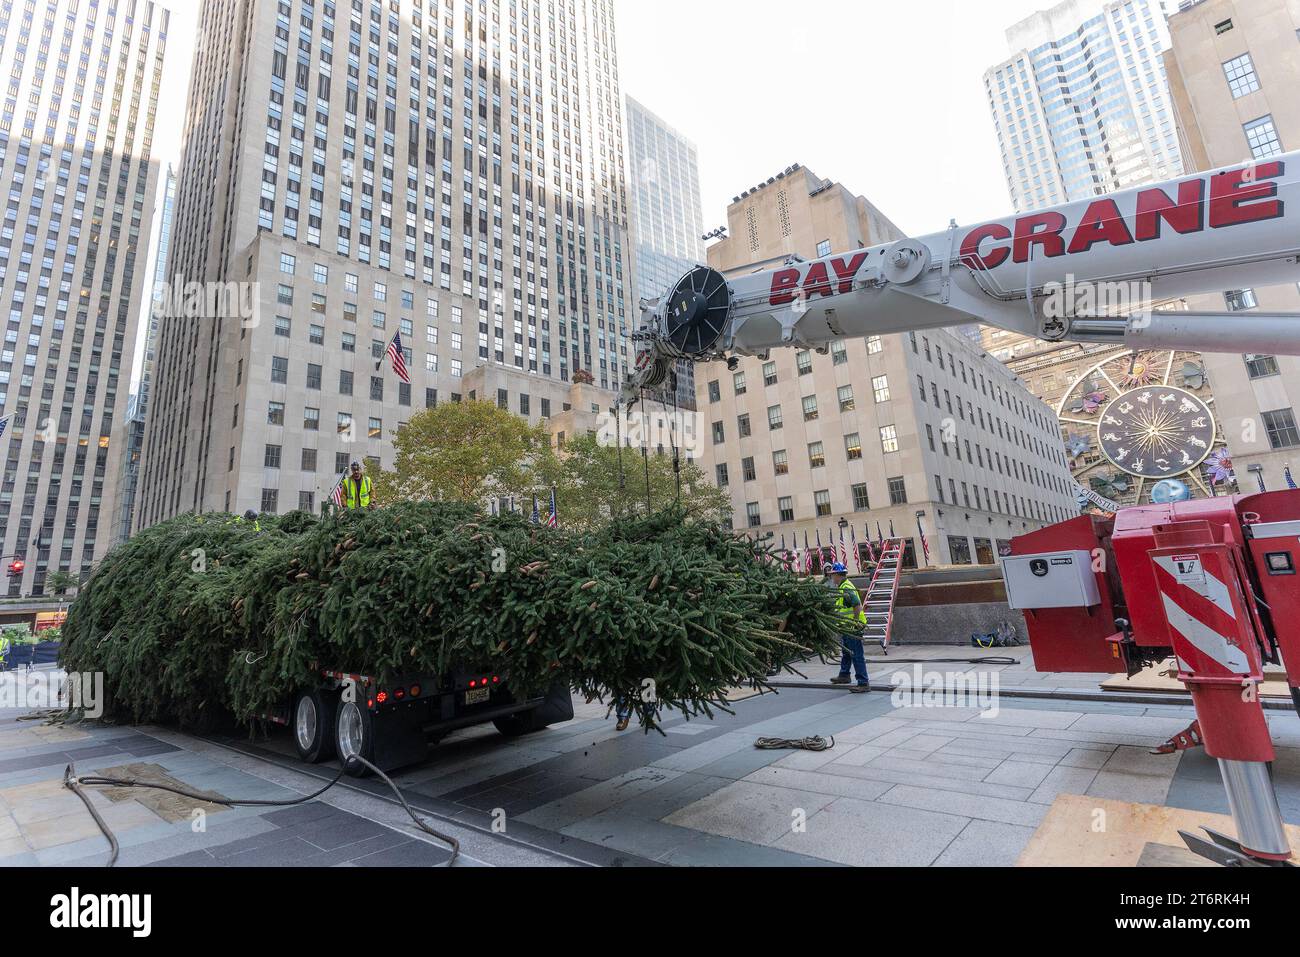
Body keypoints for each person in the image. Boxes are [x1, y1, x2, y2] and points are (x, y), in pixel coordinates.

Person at [826, 563, 869, 692]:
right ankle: (844, 675)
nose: (832, 578)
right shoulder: (843, 586)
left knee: (856, 655)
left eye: (833, 575)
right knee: (846, 652)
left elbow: (857, 606)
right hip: (847, 627)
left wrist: (855, 623)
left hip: (852, 628)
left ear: (838, 575)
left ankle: (863, 683)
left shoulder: (846, 588)